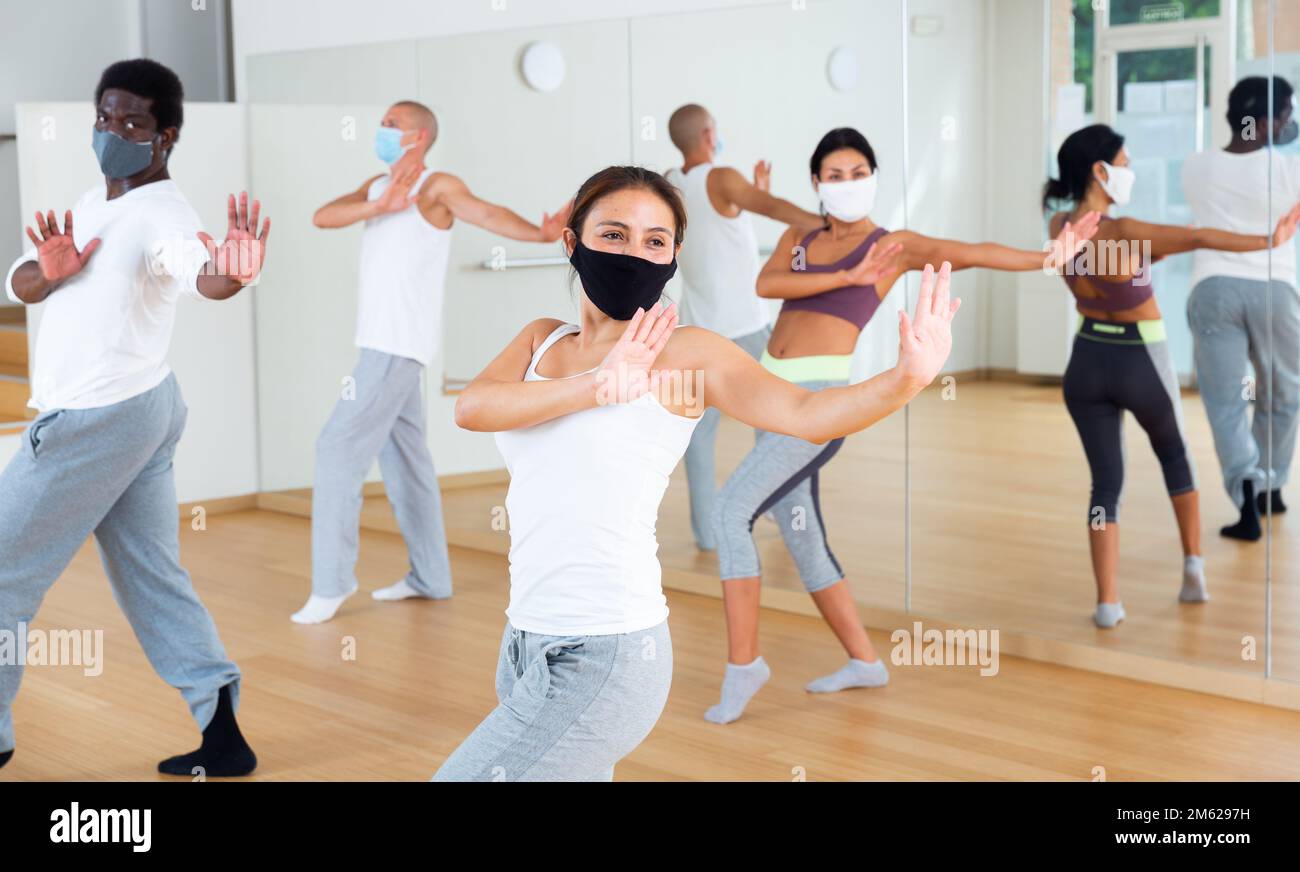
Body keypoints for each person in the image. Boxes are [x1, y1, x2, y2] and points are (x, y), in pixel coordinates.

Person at [435, 164, 958, 781]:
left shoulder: (686, 354)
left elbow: (806, 412)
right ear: (572, 242)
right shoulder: (542, 340)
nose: (636, 251)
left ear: (674, 257)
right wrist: (599, 386)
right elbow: (473, 408)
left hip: (607, 651)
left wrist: (906, 379)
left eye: (655, 240)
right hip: (523, 641)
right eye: (614, 234)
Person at [705, 127, 1097, 725]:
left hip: (819, 401)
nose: (847, 183)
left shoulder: (894, 245)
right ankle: (865, 661)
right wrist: (845, 280)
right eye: (834, 175)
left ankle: (743, 666)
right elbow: (767, 284)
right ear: (817, 183)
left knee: (731, 511)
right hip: (769, 393)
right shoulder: (799, 236)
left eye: (858, 171)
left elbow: (974, 251)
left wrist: (1046, 257)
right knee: (800, 529)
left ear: (874, 178)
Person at [0, 59, 266, 776]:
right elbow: (21, 282)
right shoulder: (91, 201)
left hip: (98, 420)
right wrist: (48, 274)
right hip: (145, 408)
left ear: (164, 136)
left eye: (132, 123)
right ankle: (222, 731)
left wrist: (235, 269)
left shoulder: (163, 214)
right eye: (104, 118)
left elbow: (203, 274)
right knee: (152, 573)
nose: (113, 132)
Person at [291, 100, 573, 624]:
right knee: (407, 462)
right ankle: (430, 575)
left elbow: (484, 211)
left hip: (398, 344)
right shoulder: (379, 187)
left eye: (392, 125)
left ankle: (332, 582)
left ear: (419, 137)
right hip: (381, 342)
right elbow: (322, 216)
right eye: (382, 123)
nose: (381, 129)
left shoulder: (437, 187)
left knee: (335, 449)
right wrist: (380, 207)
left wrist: (539, 234)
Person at [1045, 123, 1300, 628]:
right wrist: (1270, 239)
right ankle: (1192, 568)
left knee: (1104, 486)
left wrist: (1147, 253)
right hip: (1141, 360)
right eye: (1124, 162)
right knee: (1176, 460)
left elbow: (1109, 264)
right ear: (1100, 171)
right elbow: (1200, 235)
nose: (1130, 170)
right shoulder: (1126, 229)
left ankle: (1107, 603)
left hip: (1087, 362)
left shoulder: (1059, 227)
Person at [663, 103, 825, 550]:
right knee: (780, 425)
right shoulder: (722, 178)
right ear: (709, 134)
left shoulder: (669, 185)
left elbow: (722, 227)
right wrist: (829, 227)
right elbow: (771, 207)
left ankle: (708, 535)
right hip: (746, 328)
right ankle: (781, 509)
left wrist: (753, 194)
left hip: (697, 334)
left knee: (697, 436)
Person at [1183, 75, 1300, 540]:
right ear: (1270, 120)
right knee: (1282, 391)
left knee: (1225, 400)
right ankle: (1271, 483)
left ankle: (1248, 491)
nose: (1291, 120)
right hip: (1274, 288)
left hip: (1213, 289)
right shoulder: (1288, 169)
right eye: (1287, 111)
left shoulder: (1195, 166)